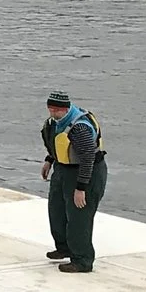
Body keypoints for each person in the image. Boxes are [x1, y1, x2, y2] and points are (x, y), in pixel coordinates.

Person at [39, 91, 107, 272]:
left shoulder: (80, 127)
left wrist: (81, 188)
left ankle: (82, 260)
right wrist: (49, 160)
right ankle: (64, 247)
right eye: (50, 110)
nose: (52, 114)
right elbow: (59, 144)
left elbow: (88, 158)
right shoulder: (56, 122)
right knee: (57, 210)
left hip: (85, 172)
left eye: (56, 111)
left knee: (79, 218)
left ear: (66, 109)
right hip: (63, 169)